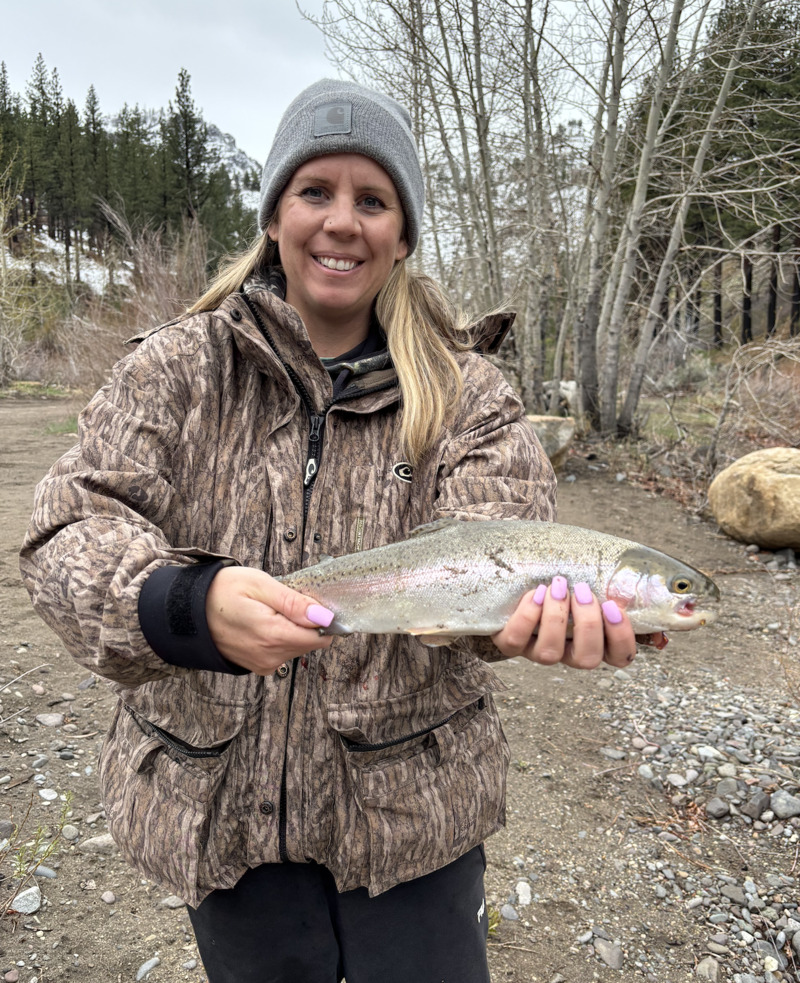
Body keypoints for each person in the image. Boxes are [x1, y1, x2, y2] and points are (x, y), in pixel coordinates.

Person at [20, 79, 642, 983]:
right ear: (275, 214)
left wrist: (514, 622)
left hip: (415, 822)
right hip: (221, 815)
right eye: (316, 191)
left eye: (373, 200)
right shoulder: (176, 367)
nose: (342, 222)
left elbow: (496, 542)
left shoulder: (472, 396)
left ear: (404, 234)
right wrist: (186, 604)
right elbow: (68, 525)